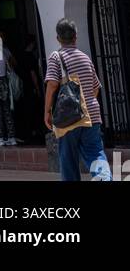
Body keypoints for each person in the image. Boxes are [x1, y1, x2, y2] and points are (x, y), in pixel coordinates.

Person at [44, 18, 111, 182]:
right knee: (96, 154)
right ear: (75, 36)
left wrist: (47, 112)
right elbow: (95, 88)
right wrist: (85, 106)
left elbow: (52, 84)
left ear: (58, 38)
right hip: (92, 116)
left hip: (69, 118)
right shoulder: (85, 57)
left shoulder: (56, 57)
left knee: (68, 160)